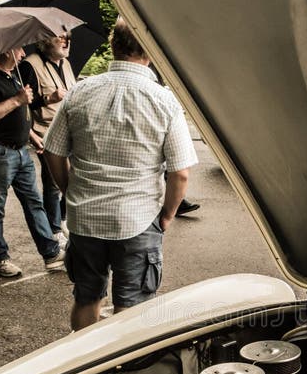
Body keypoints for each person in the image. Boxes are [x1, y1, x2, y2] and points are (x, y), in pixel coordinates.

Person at [44, 17, 198, 331]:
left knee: (86, 298)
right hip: (138, 219)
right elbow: (179, 173)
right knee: (133, 307)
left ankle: (83, 366)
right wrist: (166, 216)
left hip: (85, 217)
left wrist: (69, 188)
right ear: (150, 50)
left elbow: (52, 151)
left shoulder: (80, 91)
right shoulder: (164, 100)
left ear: (113, 45)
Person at [0, 47, 65, 279]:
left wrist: (32, 136)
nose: (22, 55)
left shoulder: (13, 74)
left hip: (20, 150)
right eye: (18, 49)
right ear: (4, 50)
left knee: (34, 202)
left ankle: (50, 253)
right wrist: (17, 99)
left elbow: (21, 113)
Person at [22, 35, 76, 246]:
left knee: (72, 178)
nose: (66, 42)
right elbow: (24, 102)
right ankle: (54, 230)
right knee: (53, 182)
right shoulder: (30, 65)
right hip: (46, 131)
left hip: (70, 129)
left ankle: (62, 220)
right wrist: (48, 99)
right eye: (60, 38)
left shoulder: (66, 63)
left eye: (67, 38)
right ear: (44, 41)